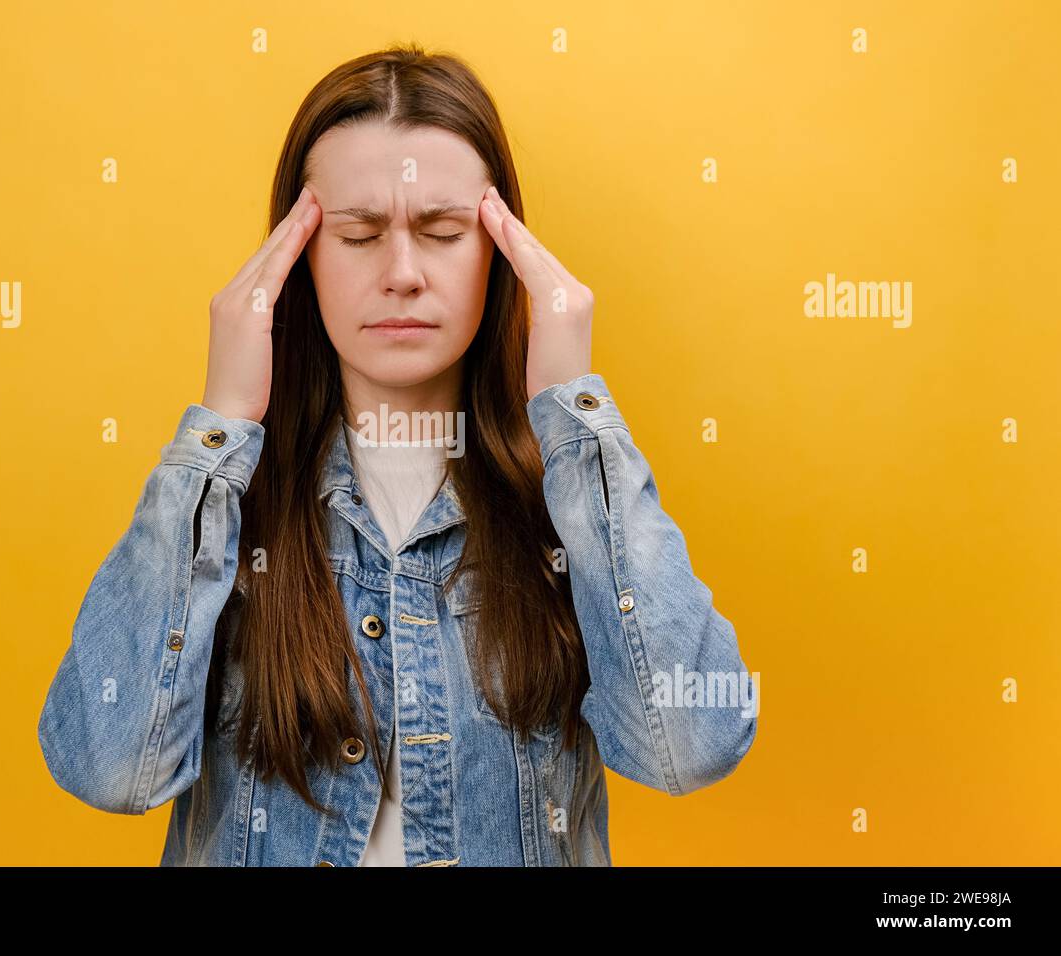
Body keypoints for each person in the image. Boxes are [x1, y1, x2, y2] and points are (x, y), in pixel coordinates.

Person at [37, 42, 757, 867]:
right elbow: (108, 771)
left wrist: (576, 413)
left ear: (500, 250)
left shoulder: (569, 509)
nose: (404, 273)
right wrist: (220, 425)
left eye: (444, 232)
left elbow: (692, 746)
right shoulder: (230, 511)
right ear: (299, 258)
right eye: (360, 235)